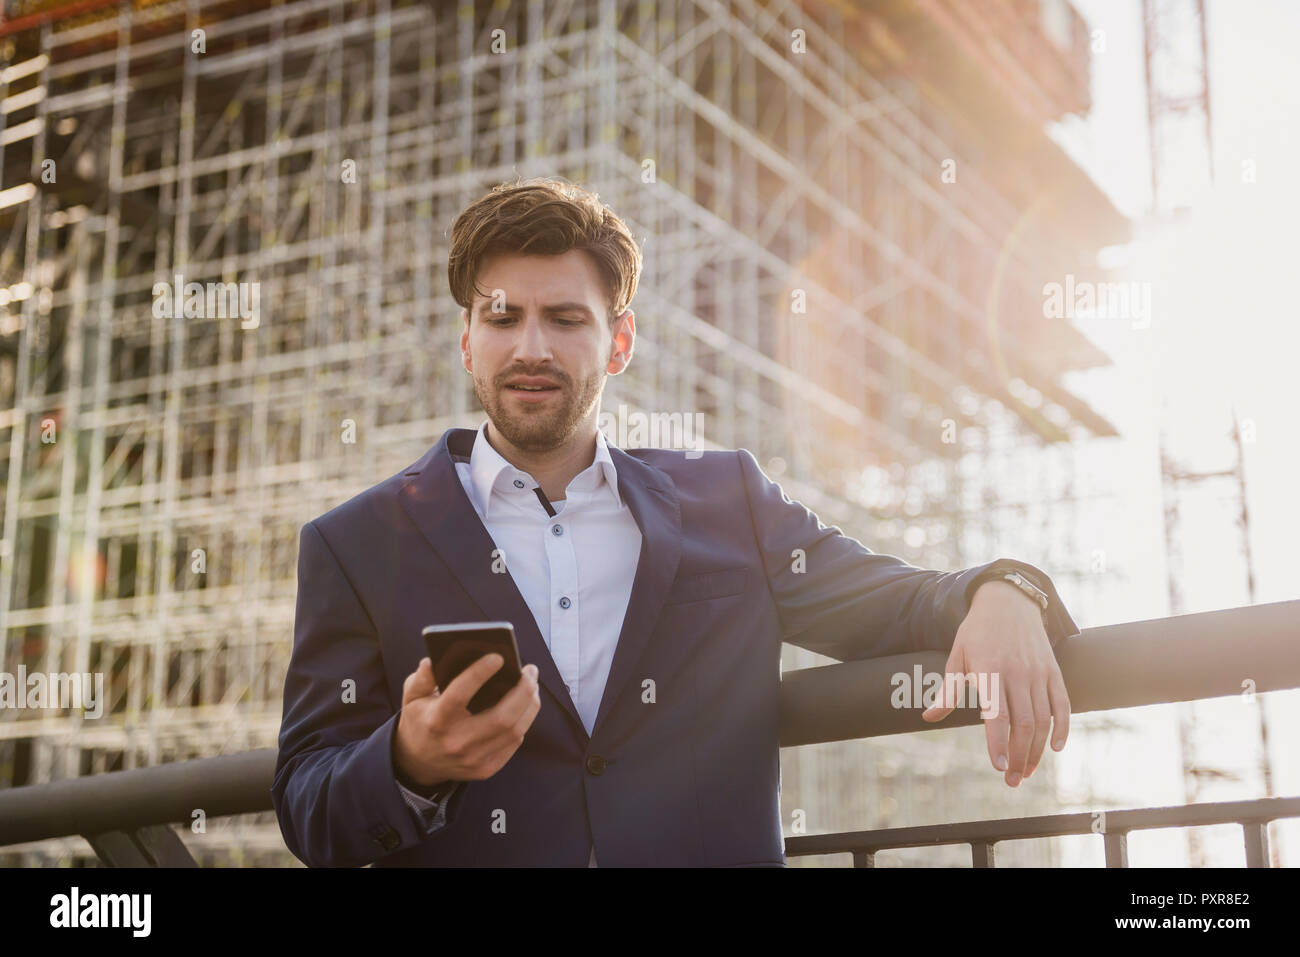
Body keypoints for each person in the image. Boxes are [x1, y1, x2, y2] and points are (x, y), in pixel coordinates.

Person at [271, 176, 1080, 867]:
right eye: (503, 316)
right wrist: (410, 760)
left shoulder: (730, 501)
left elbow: (896, 602)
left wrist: (1003, 591)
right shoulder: (355, 544)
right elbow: (307, 800)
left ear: (618, 343)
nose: (532, 347)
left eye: (566, 318)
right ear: (467, 340)